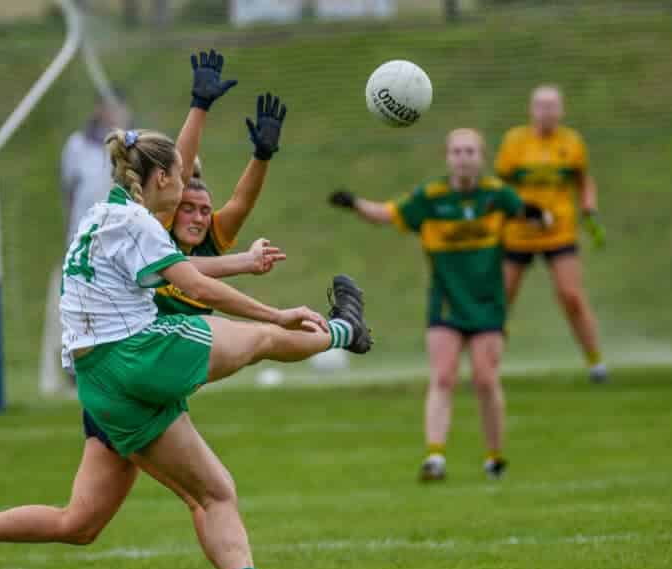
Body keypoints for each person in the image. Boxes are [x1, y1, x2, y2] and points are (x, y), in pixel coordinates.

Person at [0, 125, 373, 569]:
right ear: (160, 178)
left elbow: (185, 266)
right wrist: (280, 312)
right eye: (181, 175)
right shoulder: (139, 223)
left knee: (95, 519)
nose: (187, 185)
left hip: (98, 388)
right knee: (260, 340)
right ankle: (344, 330)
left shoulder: (97, 216)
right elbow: (196, 282)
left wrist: (245, 263)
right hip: (141, 357)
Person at [328, 129, 549, 481]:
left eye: (470, 151)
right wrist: (355, 203)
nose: (463, 157)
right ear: (448, 157)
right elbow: (387, 213)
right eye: (457, 151)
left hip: (488, 303)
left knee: (485, 379)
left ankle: (494, 458)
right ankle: (435, 457)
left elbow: (529, 214)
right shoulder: (431, 197)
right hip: (446, 303)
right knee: (443, 377)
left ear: (481, 156)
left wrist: (539, 216)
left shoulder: (496, 195)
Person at [495, 85, 608, 383]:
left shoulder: (571, 142)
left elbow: (584, 182)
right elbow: (501, 188)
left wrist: (589, 209)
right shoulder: (515, 141)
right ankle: (487, 368)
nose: (546, 112)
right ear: (531, 110)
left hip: (560, 233)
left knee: (571, 296)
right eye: (541, 106)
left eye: (552, 106)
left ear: (561, 110)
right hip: (519, 232)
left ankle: (596, 364)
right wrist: (522, 213)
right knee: (501, 300)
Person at [154, 92, 287, 315]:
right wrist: (200, 104)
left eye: (205, 211)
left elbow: (240, 202)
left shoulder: (211, 237)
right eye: (187, 209)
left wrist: (262, 156)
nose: (198, 218)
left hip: (192, 343)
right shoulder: (155, 231)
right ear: (173, 211)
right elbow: (180, 173)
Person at [41, 94, 134, 395]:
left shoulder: (133, 145)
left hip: (120, 242)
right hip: (82, 242)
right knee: (79, 308)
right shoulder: (77, 146)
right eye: (106, 105)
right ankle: (75, 371)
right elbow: (68, 192)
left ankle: (121, 367)